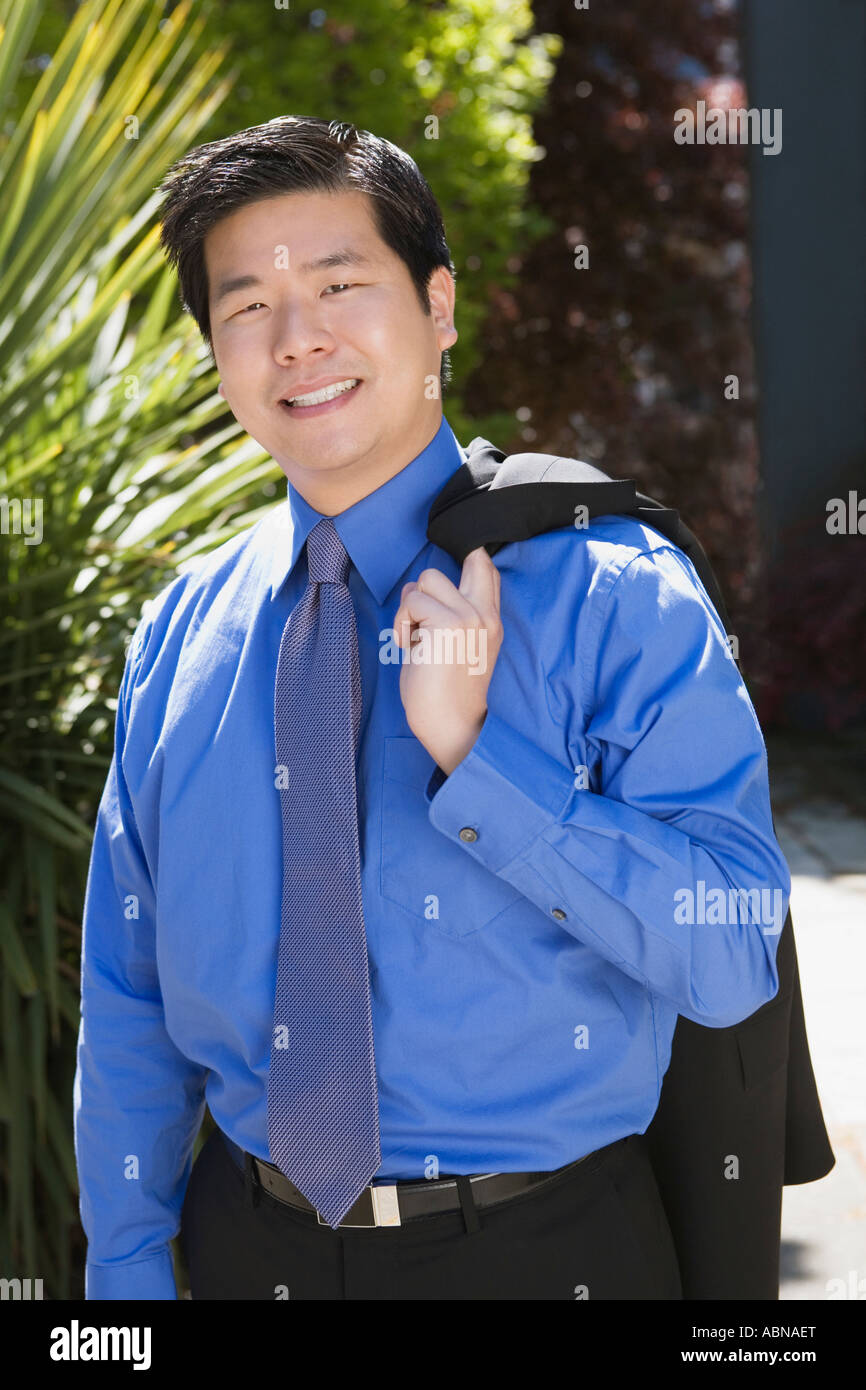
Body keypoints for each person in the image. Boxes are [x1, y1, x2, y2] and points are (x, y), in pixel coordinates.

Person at [73, 116, 791, 1301]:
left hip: (541, 1253)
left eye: (339, 285)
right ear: (215, 351)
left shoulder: (609, 593)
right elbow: (129, 992)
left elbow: (728, 953)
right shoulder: (182, 633)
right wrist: (129, 1276)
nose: (297, 338)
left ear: (438, 304)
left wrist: (474, 755)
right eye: (247, 305)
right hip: (247, 1246)